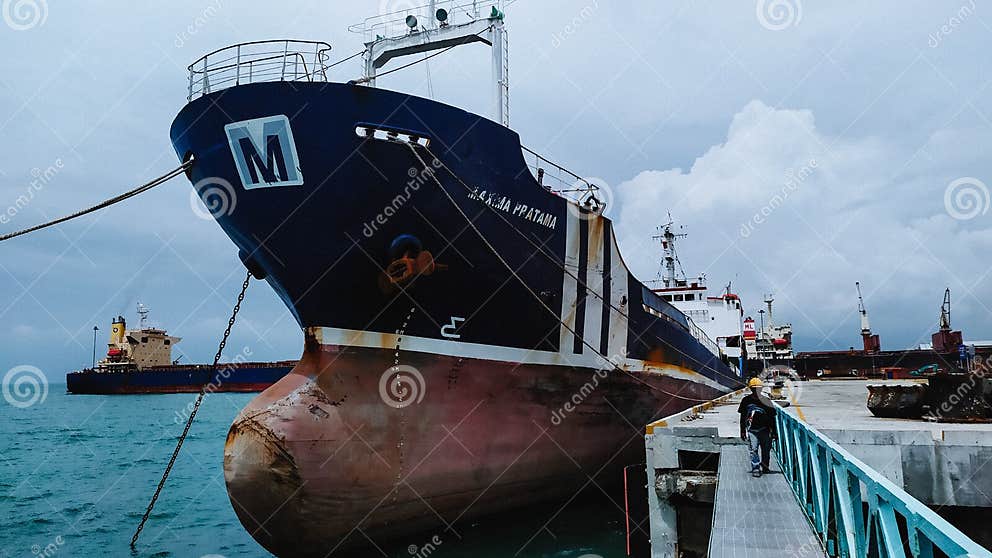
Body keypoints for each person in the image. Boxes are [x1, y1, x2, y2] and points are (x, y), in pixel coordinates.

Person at [738, 377, 777, 477]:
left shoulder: (766, 400)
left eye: (758, 388)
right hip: (752, 430)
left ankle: (765, 466)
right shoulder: (746, 401)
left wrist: (774, 432)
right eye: (754, 388)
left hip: (765, 429)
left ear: (761, 389)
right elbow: (743, 417)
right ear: (751, 389)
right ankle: (755, 468)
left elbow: (773, 418)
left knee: (766, 450)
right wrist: (742, 431)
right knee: (753, 450)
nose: (756, 390)